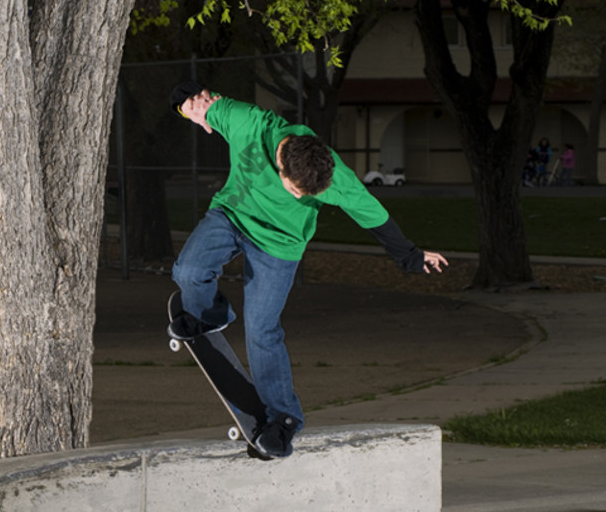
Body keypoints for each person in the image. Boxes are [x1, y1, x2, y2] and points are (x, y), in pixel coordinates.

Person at [167, 81, 448, 459]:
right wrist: (185, 106)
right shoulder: (246, 121)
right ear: (282, 163)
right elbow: (200, 105)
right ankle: (210, 312)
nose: (302, 197)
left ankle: (283, 419)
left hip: (280, 246)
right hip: (232, 214)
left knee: (263, 329)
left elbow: (374, 217)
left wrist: (411, 256)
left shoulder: (331, 177)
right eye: (297, 191)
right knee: (187, 272)